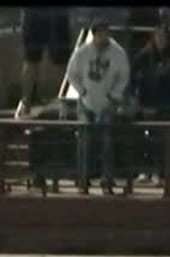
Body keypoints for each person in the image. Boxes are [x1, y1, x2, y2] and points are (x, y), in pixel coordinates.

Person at [66, 20, 131, 195]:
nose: (104, 36)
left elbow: (123, 77)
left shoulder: (118, 53)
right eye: (100, 33)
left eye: (106, 32)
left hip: (108, 104)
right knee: (84, 140)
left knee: (107, 141)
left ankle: (106, 179)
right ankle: (83, 179)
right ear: (94, 34)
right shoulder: (82, 53)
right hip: (87, 103)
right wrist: (82, 91)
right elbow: (72, 73)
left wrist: (114, 96)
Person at [131, 18, 170, 185]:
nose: (161, 40)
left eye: (164, 37)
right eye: (158, 36)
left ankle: (160, 173)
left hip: (164, 103)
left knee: (161, 140)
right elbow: (131, 76)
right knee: (146, 140)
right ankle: (145, 171)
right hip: (146, 101)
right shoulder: (144, 55)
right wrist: (134, 98)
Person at [16, 7, 75, 119]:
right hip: (40, 15)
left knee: (60, 61)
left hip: (54, 15)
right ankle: (25, 103)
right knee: (32, 60)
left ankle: (65, 102)